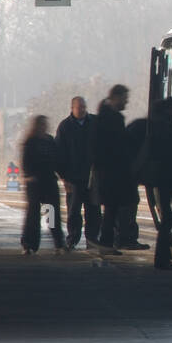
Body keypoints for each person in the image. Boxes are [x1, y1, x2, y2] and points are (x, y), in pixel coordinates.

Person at [138, 97, 172, 270]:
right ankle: (162, 259)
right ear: (170, 110)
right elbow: (169, 154)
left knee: (168, 217)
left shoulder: (157, 125)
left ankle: (163, 257)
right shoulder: (167, 127)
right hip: (166, 177)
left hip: (160, 178)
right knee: (168, 218)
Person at [89, 84, 130, 256]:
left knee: (110, 209)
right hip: (110, 171)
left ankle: (106, 241)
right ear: (117, 97)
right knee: (111, 208)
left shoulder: (103, 116)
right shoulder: (111, 119)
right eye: (124, 98)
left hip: (106, 170)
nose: (126, 102)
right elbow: (115, 146)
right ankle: (106, 242)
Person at [55, 96, 98, 250]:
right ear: (72, 108)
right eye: (79, 107)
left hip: (92, 177)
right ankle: (72, 238)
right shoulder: (65, 127)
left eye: (84, 107)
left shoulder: (95, 123)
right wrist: (64, 178)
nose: (82, 110)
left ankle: (92, 239)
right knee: (74, 210)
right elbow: (59, 154)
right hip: (73, 177)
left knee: (93, 210)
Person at [20, 115, 65, 254]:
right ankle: (29, 244)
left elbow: (57, 160)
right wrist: (29, 175)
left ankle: (58, 243)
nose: (45, 127)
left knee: (51, 213)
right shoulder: (30, 142)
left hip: (49, 182)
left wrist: (63, 176)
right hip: (35, 183)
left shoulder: (49, 140)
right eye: (42, 124)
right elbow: (25, 161)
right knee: (33, 215)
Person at [118, 114, 151, 251]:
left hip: (126, 172)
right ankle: (127, 239)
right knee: (129, 205)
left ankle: (124, 238)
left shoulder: (138, 126)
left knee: (126, 205)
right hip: (128, 174)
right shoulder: (145, 129)